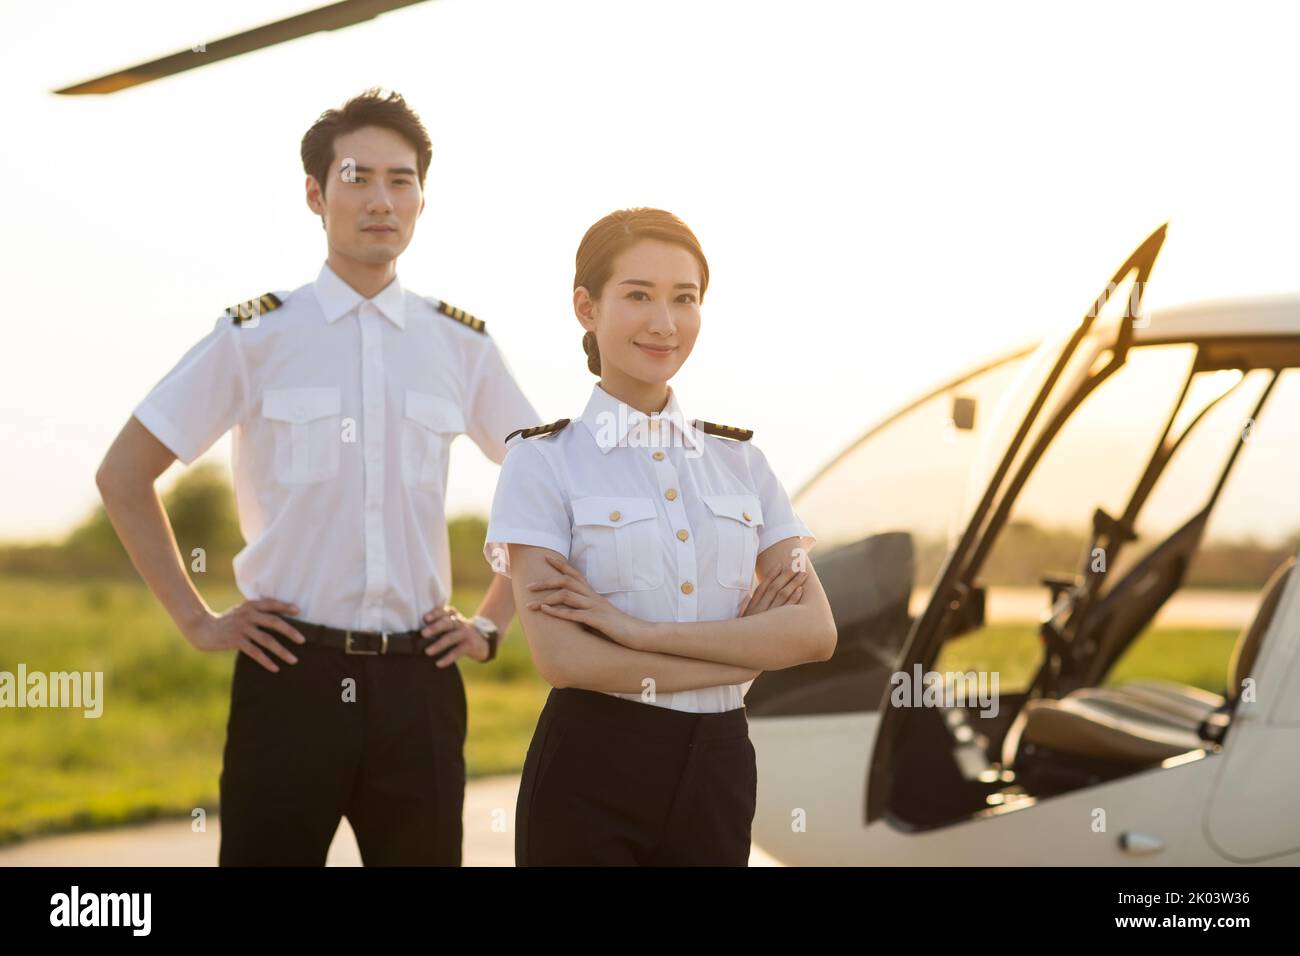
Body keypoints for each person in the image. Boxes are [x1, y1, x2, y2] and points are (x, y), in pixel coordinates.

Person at [94, 88, 539, 866]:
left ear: (422, 199)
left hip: (421, 684)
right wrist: (198, 621)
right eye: (357, 177)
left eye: (401, 181)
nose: (381, 200)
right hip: (289, 676)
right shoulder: (256, 335)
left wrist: (493, 622)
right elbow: (124, 474)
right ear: (315, 193)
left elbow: (547, 487)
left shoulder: (461, 345)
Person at [484, 207, 838, 866]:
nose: (664, 322)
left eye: (685, 299)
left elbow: (815, 633)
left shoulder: (742, 463)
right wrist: (746, 656)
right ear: (586, 308)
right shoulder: (543, 462)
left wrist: (637, 633)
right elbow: (566, 660)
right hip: (592, 768)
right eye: (638, 295)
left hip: (721, 766)